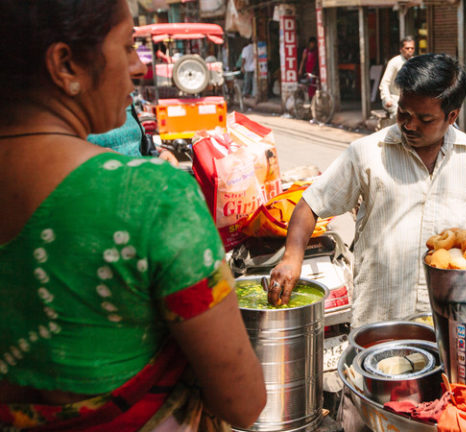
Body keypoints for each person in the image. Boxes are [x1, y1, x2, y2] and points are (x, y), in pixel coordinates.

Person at [0, 1, 266, 429]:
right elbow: (244, 402)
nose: (139, 67)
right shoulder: (151, 196)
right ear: (66, 65)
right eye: (126, 47)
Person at [270, 53, 466, 328]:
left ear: (451, 116)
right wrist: (292, 258)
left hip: (449, 319)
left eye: (424, 119)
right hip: (378, 318)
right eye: (403, 112)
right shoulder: (366, 153)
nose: (409, 125)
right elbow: (310, 205)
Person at [378, 36, 416, 117]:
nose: (410, 50)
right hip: (393, 98)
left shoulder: (415, 62)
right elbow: (384, 83)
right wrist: (387, 99)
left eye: (412, 48)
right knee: (399, 115)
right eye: (407, 48)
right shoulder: (394, 62)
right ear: (401, 49)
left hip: (409, 100)